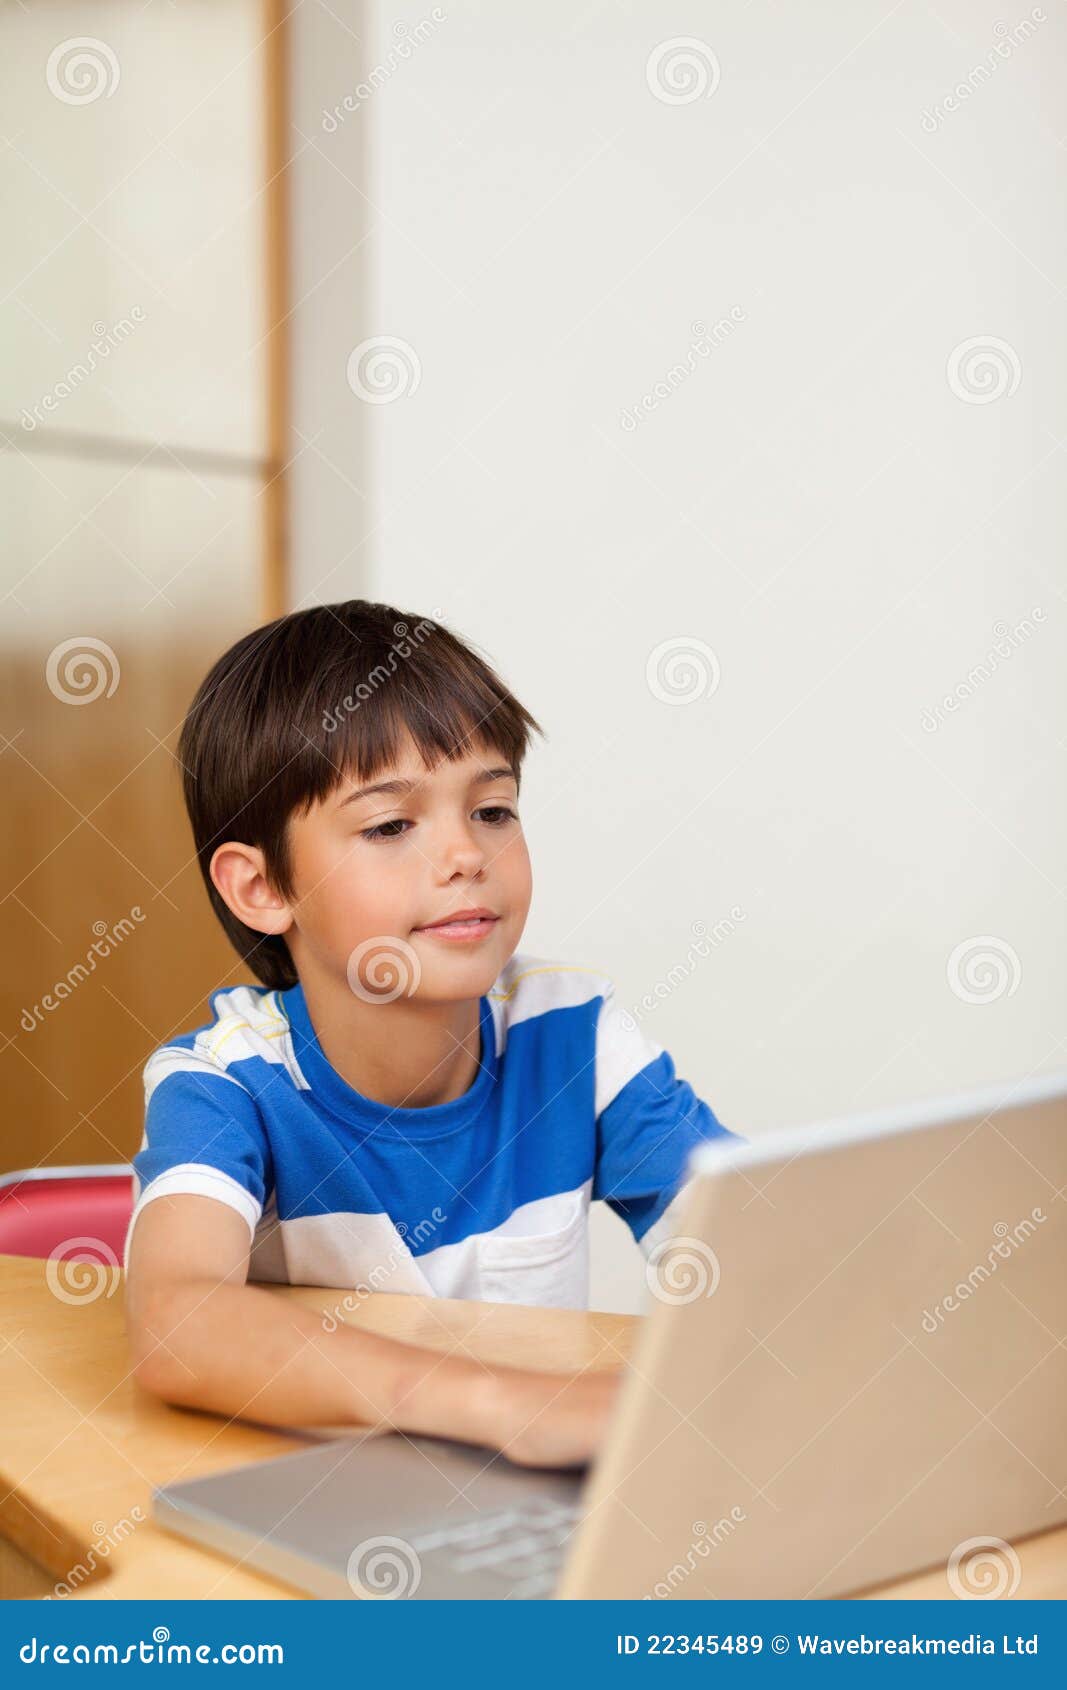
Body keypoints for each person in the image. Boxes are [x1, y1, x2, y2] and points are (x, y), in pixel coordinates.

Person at [124, 600, 737, 1467]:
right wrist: (502, 1405)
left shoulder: (573, 1036)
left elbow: (761, 1261)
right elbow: (174, 1322)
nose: (464, 856)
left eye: (491, 810)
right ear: (263, 889)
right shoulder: (227, 1082)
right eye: (390, 825)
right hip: (310, 1497)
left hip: (522, 1506)